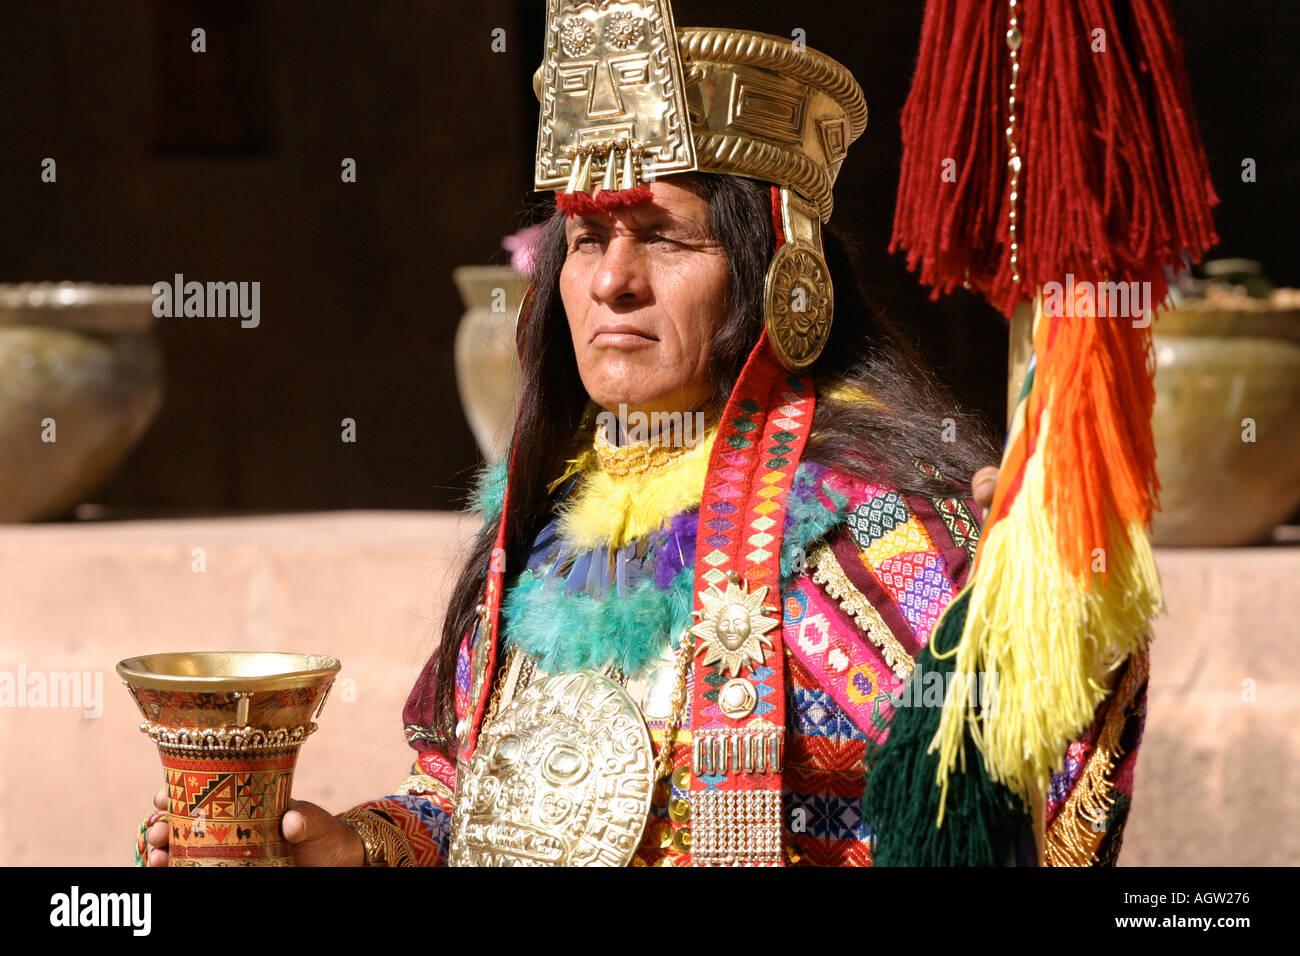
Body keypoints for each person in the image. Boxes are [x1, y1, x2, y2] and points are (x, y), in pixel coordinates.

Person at [141, 3, 1147, 867]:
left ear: (776, 278)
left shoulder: (874, 531)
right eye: (585, 240)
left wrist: (1051, 605)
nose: (612, 280)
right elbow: (468, 800)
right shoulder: (541, 531)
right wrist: (355, 843)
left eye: (663, 236)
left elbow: (998, 808)